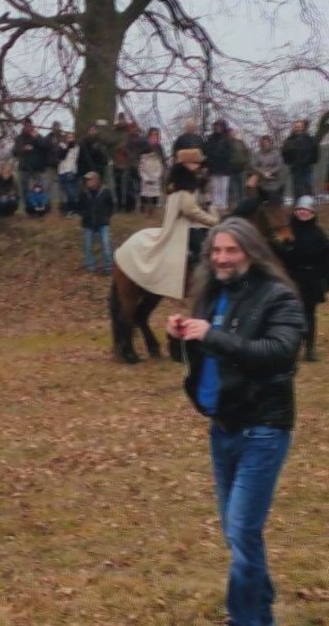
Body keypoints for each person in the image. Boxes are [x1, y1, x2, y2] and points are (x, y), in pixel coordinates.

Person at [165, 217, 304, 626]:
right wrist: (181, 337)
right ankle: (258, 607)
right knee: (236, 532)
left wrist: (212, 334)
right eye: (216, 251)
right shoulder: (211, 294)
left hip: (263, 427)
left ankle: (246, 619)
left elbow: (279, 353)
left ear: (250, 252)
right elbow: (199, 355)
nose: (222, 259)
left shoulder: (278, 297)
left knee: (242, 531)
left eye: (231, 250)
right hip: (223, 426)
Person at [114, 149, 220, 300]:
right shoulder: (182, 187)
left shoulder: (192, 184)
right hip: (186, 228)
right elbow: (192, 211)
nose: (200, 167)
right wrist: (215, 221)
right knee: (203, 248)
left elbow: (203, 204)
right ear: (187, 165)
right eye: (197, 164)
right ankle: (200, 284)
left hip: (193, 225)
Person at [278, 196, 329, 361]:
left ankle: (310, 349)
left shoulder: (319, 235)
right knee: (290, 314)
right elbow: (279, 257)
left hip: (311, 280)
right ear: (295, 211)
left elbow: (325, 260)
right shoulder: (288, 232)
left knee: (309, 314)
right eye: (300, 209)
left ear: (312, 213)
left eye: (306, 210)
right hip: (292, 278)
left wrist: (325, 282)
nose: (303, 213)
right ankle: (290, 347)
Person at [77, 171, 114, 273]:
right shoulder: (83, 193)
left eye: (90, 179)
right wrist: (84, 215)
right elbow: (80, 207)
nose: (88, 182)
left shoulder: (105, 191)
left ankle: (108, 267)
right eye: (87, 180)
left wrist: (106, 217)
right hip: (88, 223)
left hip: (103, 222)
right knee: (88, 246)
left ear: (96, 180)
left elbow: (110, 206)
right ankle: (90, 267)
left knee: (106, 245)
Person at [281, 119, 319, 199]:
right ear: (293, 128)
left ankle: (308, 208)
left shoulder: (310, 139)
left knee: (308, 188)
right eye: (296, 127)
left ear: (303, 127)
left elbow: (315, 151)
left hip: (307, 168)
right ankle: (298, 208)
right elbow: (284, 154)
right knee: (297, 190)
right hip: (295, 169)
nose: (298, 128)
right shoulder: (288, 141)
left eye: (300, 127)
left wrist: (311, 160)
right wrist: (290, 163)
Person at [138, 127, 166, 217]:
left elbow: (162, 160)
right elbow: (140, 161)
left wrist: (159, 173)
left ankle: (152, 210)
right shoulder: (144, 146)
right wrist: (145, 176)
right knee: (145, 192)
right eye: (153, 135)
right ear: (149, 136)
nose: (154, 137)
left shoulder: (159, 147)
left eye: (156, 135)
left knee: (155, 192)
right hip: (146, 172)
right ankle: (144, 208)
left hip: (156, 172)